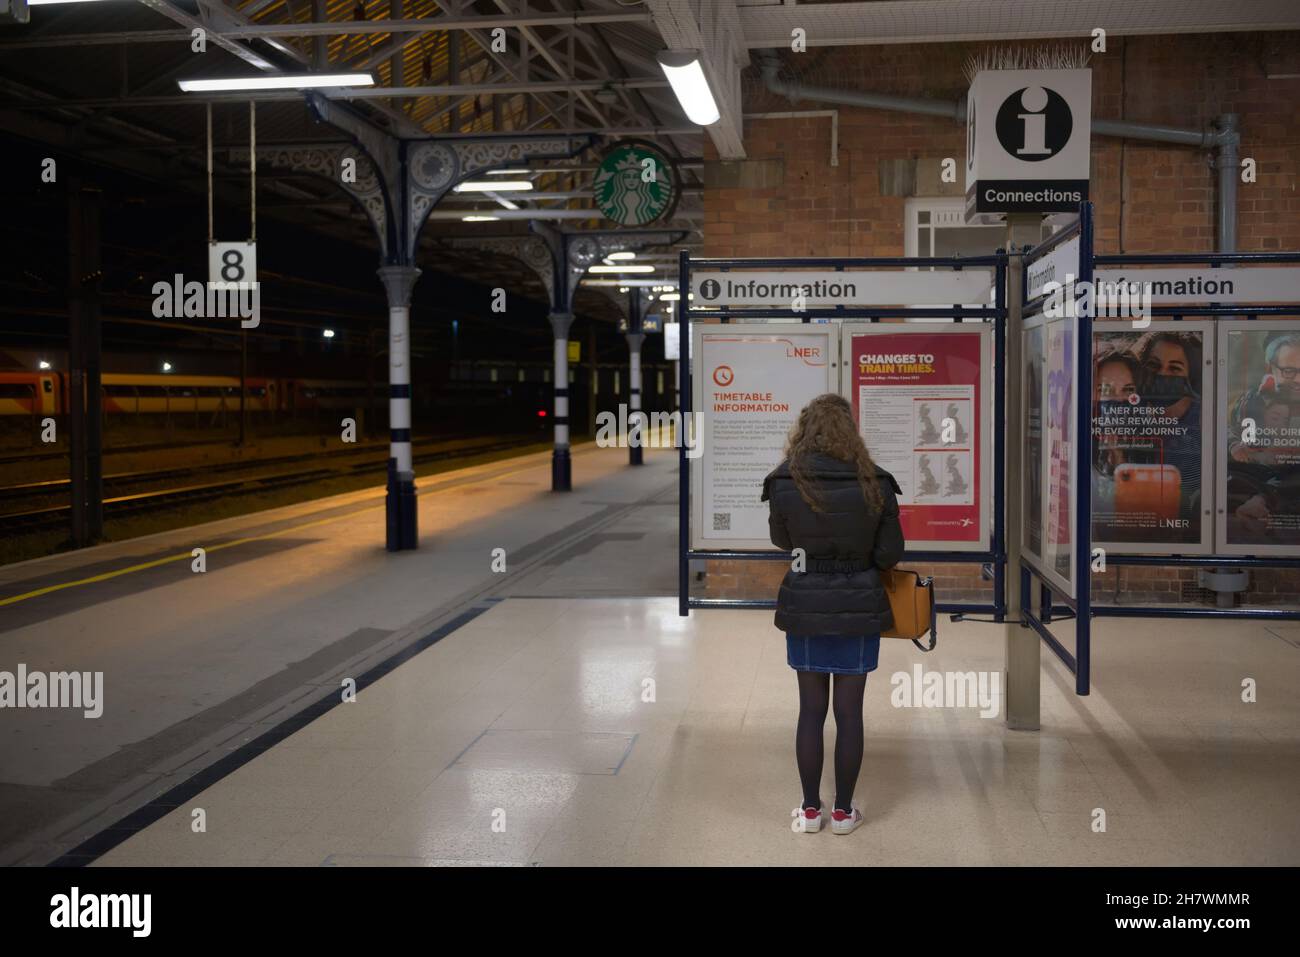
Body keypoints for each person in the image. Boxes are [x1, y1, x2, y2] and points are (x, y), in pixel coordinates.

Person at [760, 394, 905, 836]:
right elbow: (890, 553)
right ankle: (843, 812)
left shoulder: (785, 481)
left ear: (804, 429)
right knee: (849, 712)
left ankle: (808, 811)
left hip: (806, 601)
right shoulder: (875, 482)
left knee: (810, 710)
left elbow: (783, 542)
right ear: (851, 431)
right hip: (859, 602)